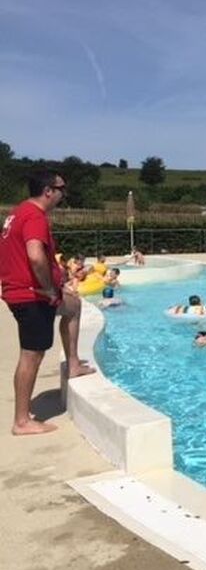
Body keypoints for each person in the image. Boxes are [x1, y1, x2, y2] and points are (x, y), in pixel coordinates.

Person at [0, 169, 95, 435]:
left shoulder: (18, 212)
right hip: (31, 295)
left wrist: (58, 282)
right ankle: (21, 421)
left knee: (73, 306)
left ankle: (73, 364)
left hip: (26, 290)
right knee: (32, 355)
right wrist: (48, 289)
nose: (65, 193)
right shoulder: (34, 216)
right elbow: (35, 256)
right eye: (61, 188)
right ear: (48, 191)